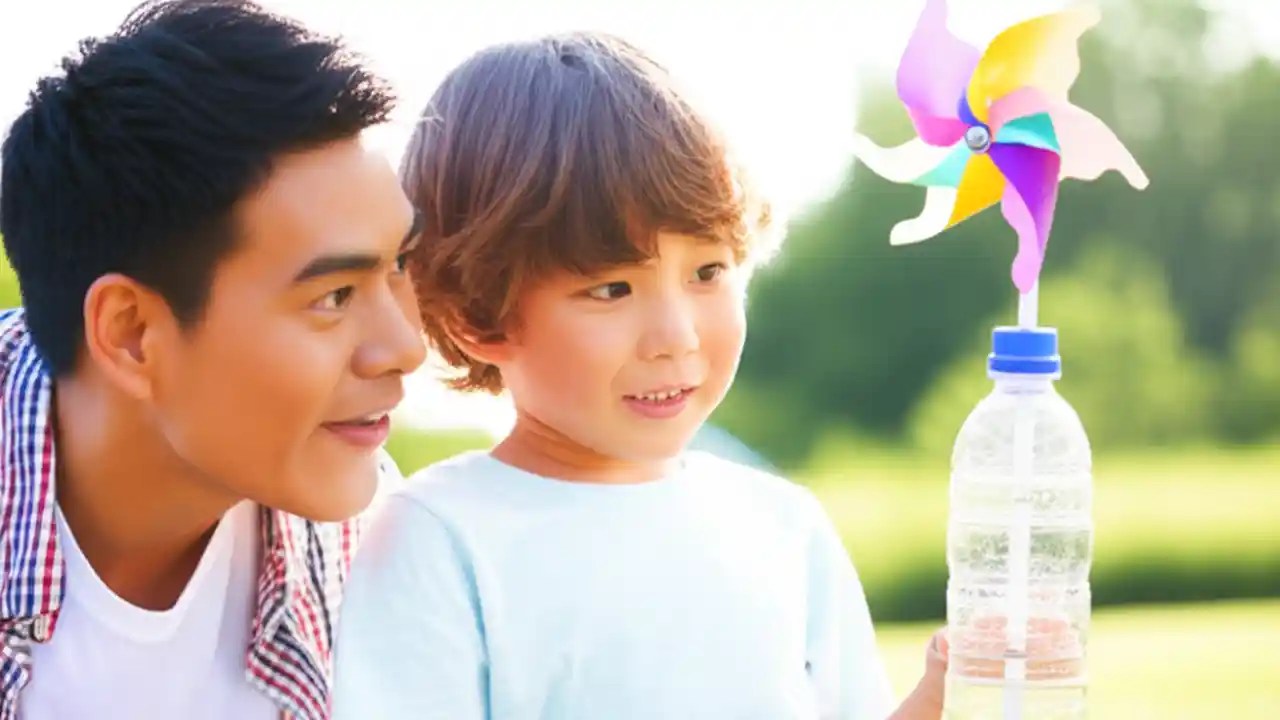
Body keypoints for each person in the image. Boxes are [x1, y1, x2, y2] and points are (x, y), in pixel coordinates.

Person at [332, 31, 946, 719]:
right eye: (612, 290)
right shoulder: (439, 538)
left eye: (708, 273)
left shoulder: (784, 527)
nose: (676, 337)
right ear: (481, 316)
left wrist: (940, 696)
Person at [0, 1, 425, 718]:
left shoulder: (374, 544)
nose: (407, 347)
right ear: (133, 334)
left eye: (400, 267)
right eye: (334, 295)